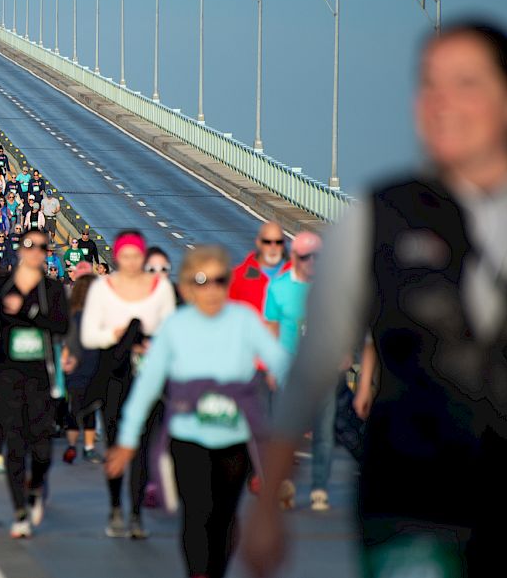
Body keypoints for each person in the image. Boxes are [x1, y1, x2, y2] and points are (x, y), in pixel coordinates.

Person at [243, 21, 507, 578]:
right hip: (413, 509)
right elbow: (314, 365)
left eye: (467, 84)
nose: (443, 104)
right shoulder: (380, 217)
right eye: (429, 85)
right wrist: (268, 508)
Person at [107, 246, 288, 578]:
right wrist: (128, 439)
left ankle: (215, 571)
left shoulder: (243, 320)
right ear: (188, 286)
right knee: (196, 513)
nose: (212, 289)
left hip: (234, 439)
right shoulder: (176, 326)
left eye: (220, 281)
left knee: (224, 518)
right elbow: (147, 384)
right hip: (188, 437)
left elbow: (281, 362)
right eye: (202, 281)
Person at [0, 228, 69, 539]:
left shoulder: (52, 290)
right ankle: (20, 511)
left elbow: (62, 326)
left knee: (42, 448)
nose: (35, 252)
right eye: (29, 246)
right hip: (5, 376)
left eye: (42, 247)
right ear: (20, 250)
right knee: (14, 444)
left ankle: (35, 486)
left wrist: (28, 312)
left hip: (40, 376)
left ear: (47, 252)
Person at [80, 230, 177, 539]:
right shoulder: (102, 289)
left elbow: (174, 330)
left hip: (148, 377)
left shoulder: (160, 289)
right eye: (125, 256)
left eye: (137, 256)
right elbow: (89, 335)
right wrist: (116, 335)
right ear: (116, 256)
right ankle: (115, 506)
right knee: (116, 444)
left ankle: (135, 513)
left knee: (142, 447)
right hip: (114, 375)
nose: (132, 262)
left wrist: (152, 343)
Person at [261, 230, 330, 511]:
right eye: (305, 257)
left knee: (324, 430)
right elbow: (271, 329)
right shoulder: (278, 288)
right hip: (287, 367)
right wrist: (270, 368)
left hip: (322, 365)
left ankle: (319, 488)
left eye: (317, 257)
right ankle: (282, 484)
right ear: (294, 257)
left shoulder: (330, 287)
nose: (312, 262)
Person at [61, 264, 103, 464]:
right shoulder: (98, 315)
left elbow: (68, 339)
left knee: (74, 407)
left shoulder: (73, 314)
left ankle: (71, 446)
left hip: (75, 365)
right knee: (91, 409)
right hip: (94, 364)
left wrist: (65, 358)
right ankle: (88, 447)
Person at [227, 221, 289, 316]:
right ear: (259, 243)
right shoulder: (238, 277)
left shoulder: (296, 276)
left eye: (278, 242)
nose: (273, 247)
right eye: (267, 242)